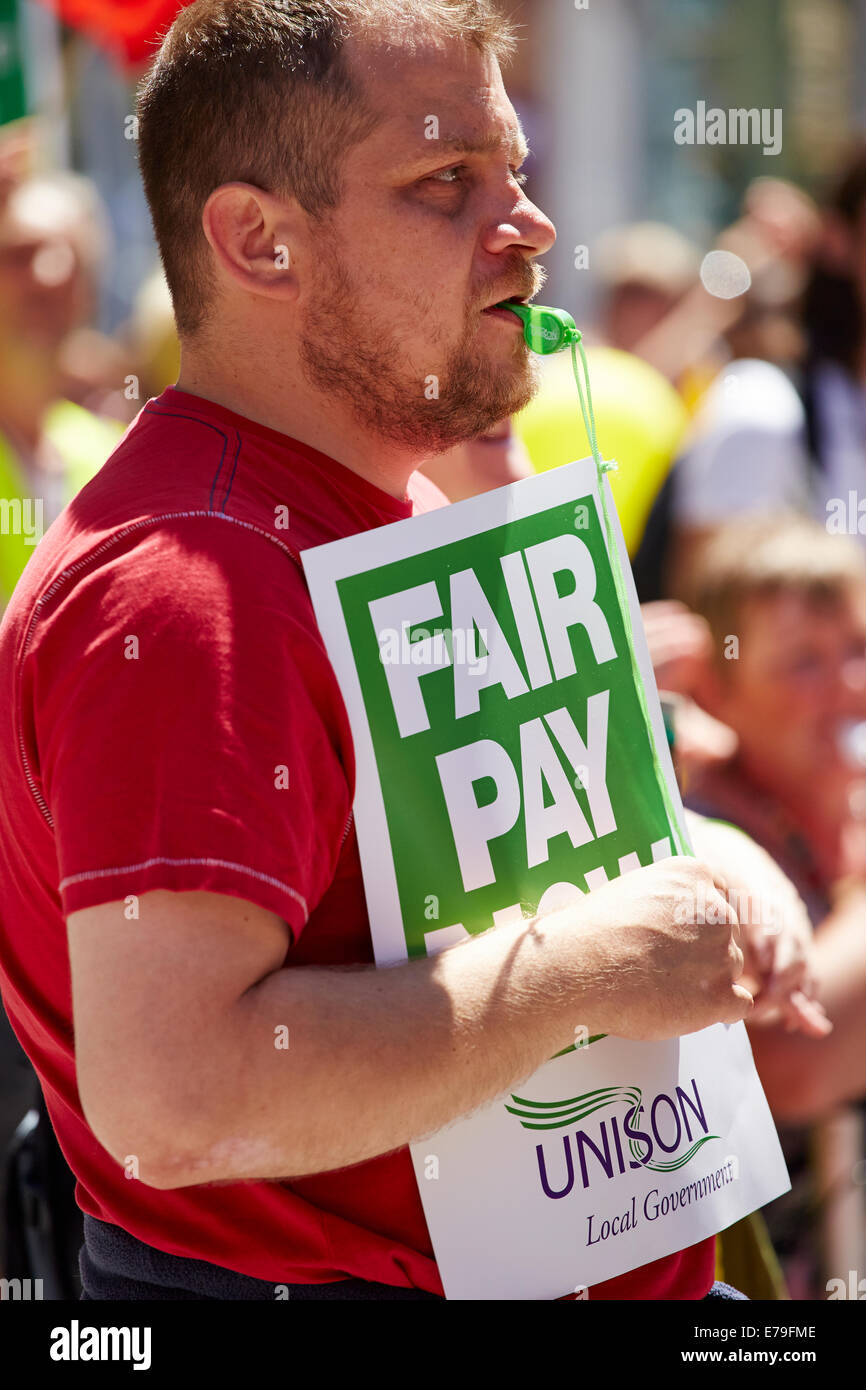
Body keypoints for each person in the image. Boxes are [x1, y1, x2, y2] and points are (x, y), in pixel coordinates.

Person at [0, 0, 797, 1303]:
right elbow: (177, 1100)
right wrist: (597, 968)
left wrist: (709, 866)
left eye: (515, 172)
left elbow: (495, 870)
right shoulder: (189, 588)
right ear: (258, 240)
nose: (528, 227)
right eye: (446, 182)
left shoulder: (391, 503)